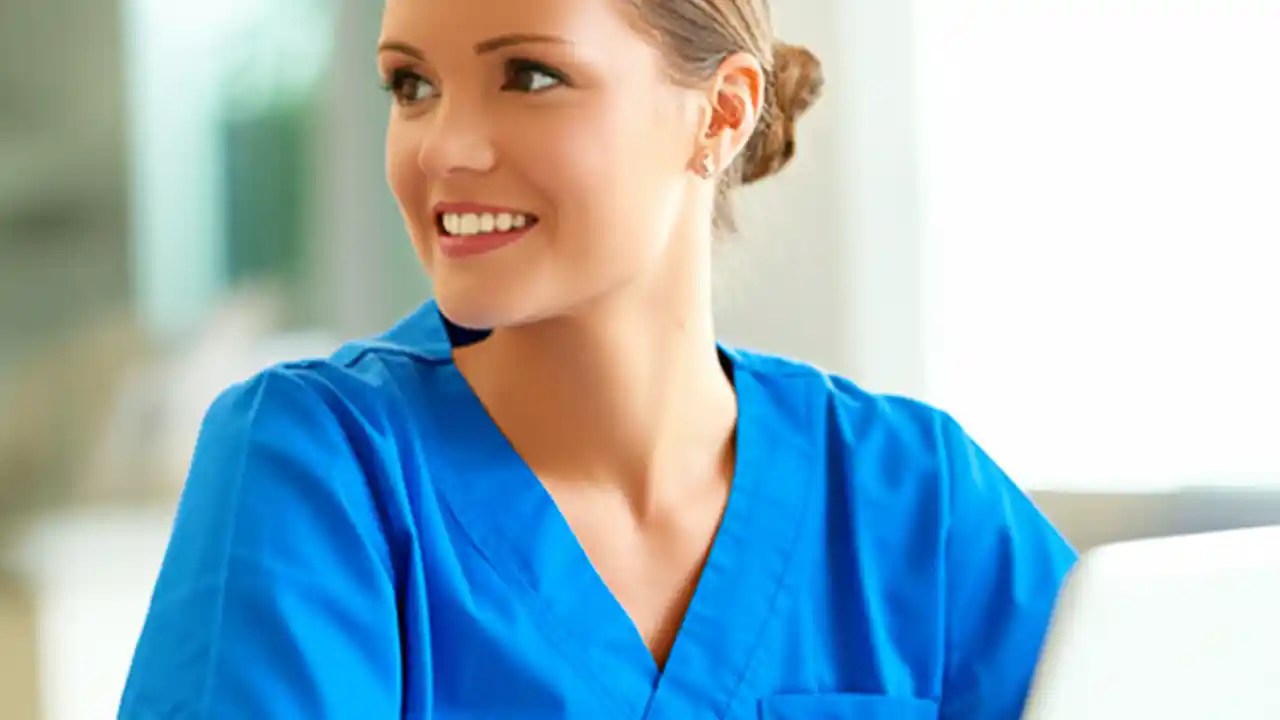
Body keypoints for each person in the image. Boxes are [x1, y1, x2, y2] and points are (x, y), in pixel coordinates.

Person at [119, 0, 1076, 717]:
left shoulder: (915, 499)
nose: (443, 149)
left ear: (721, 113)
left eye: (530, 75)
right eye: (411, 85)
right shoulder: (314, 467)